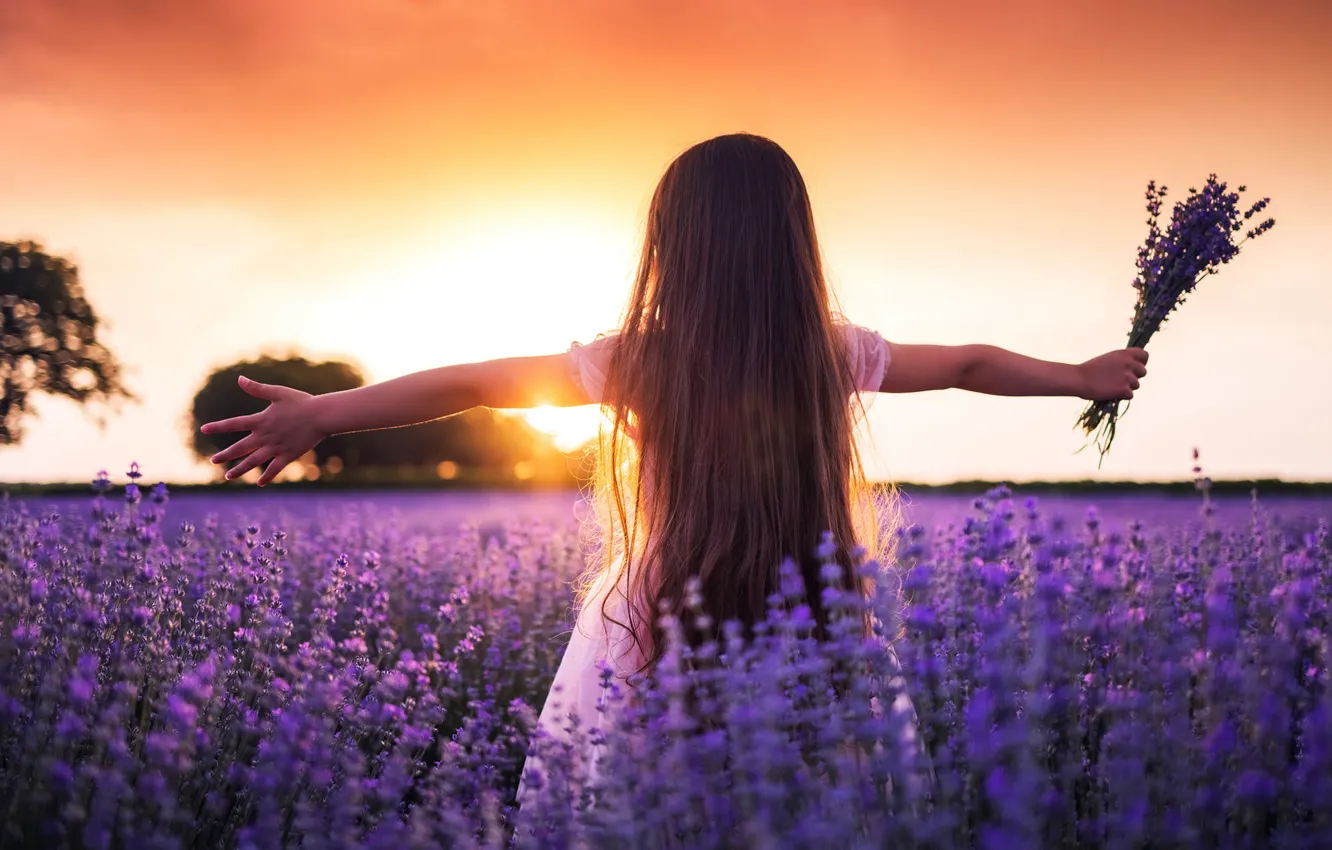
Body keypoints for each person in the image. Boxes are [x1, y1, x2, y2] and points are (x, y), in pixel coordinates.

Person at [200, 132, 1148, 814]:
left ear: (674, 246)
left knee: (649, 805)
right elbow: (974, 363)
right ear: (792, 243)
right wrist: (1081, 376)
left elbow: (473, 387)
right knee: (812, 797)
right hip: (812, 606)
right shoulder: (827, 351)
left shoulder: (645, 360)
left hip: (659, 620)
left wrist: (324, 413)